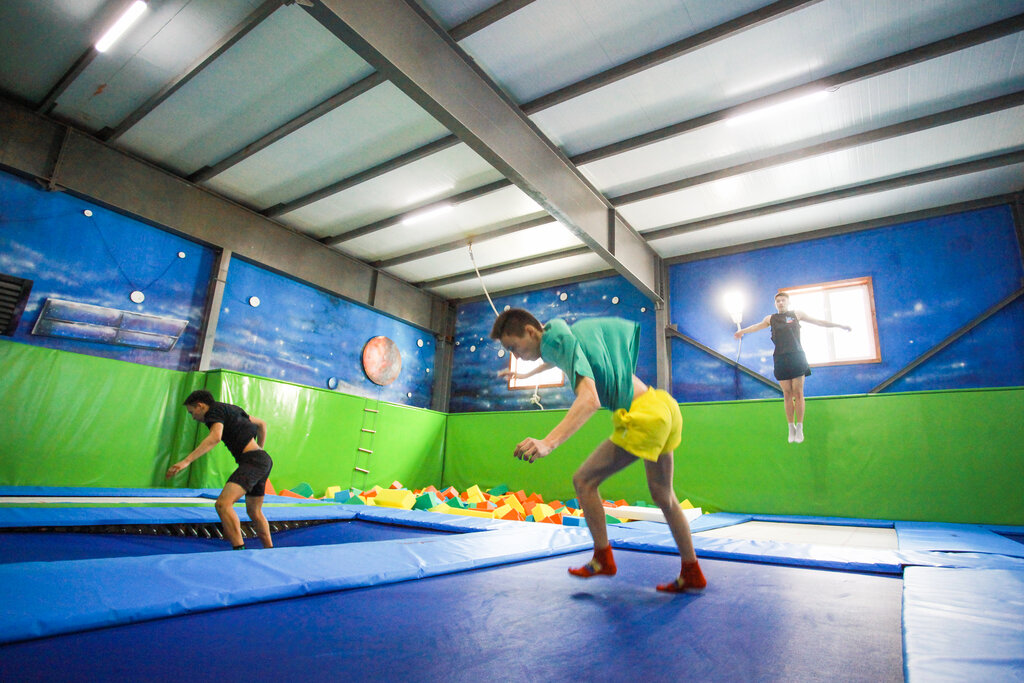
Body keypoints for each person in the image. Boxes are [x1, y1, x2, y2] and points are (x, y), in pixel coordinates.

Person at [491, 309, 706, 593]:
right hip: (662, 406)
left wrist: (548, 442)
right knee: (664, 496)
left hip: (643, 416)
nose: (515, 355)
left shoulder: (564, 343)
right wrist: (526, 372)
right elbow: (555, 359)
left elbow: (590, 399)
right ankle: (692, 571)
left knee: (584, 481)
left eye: (513, 348)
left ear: (530, 332)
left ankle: (603, 558)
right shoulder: (559, 337)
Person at [733, 291, 851, 443]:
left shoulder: (797, 314)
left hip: (797, 356)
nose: (781, 303)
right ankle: (791, 427)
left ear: (788, 302)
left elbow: (818, 322)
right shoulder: (770, 318)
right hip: (780, 358)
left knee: (798, 392)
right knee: (787, 393)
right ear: (775, 304)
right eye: (778, 301)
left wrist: (840, 326)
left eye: (783, 300)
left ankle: (800, 426)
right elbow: (756, 326)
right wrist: (742, 331)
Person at [166, 390, 274, 549]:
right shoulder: (231, 409)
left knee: (223, 504)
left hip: (253, 461)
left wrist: (186, 461)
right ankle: (269, 550)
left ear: (200, 406)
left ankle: (239, 550)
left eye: (192, 412)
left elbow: (215, 437)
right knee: (254, 512)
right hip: (262, 460)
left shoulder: (214, 411)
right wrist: (260, 449)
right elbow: (262, 424)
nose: (193, 417)